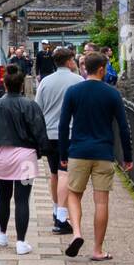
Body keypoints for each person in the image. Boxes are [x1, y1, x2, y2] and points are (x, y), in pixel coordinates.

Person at [57, 51, 133, 261]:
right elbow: (124, 128)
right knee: (101, 202)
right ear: (101, 69)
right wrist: (128, 156)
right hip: (103, 153)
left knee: (74, 194)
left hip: (78, 152)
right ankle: (98, 250)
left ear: (84, 68)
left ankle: (77, 233)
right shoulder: (112, 94)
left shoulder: (73, 91)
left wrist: (63, 153)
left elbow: (63, 125)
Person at [0, 62, 48, 256]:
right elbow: (40, 131)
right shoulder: (30, 105)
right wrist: (43, 151)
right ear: (22, 85)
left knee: (4, 196)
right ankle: (22, 242)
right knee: (22, 199)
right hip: (25, 158)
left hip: (3, 157)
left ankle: (2, 233)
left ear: (5, 84)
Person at [35, 45, 82, 234]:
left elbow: (38, 108)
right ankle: (62, 216)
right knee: (66, 174)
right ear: (70, 61)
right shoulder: (78, 80)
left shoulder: (46, 82)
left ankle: (56, 209)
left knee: (54, 173)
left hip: (50, 134)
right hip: (70, 134)